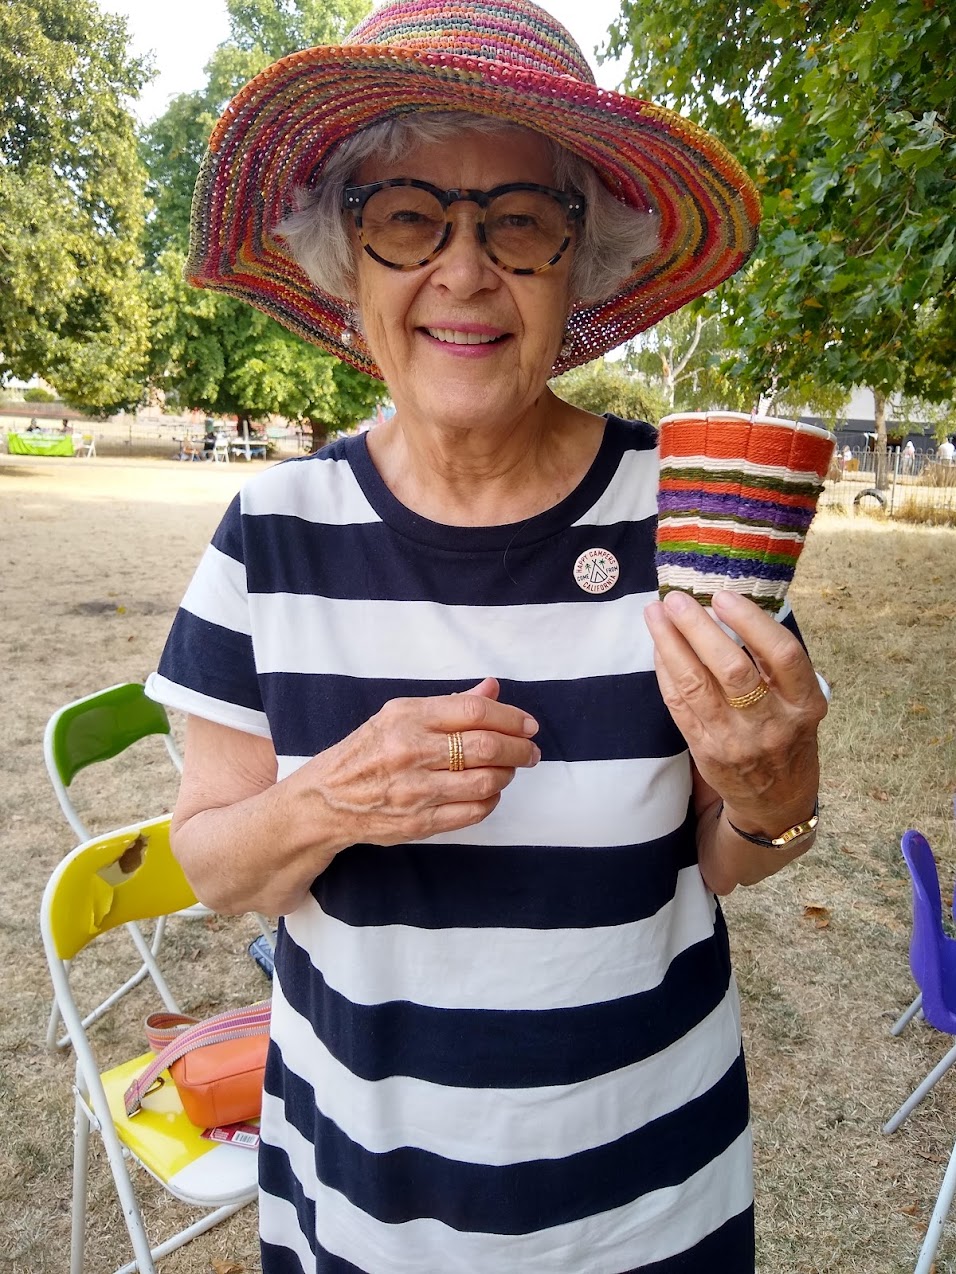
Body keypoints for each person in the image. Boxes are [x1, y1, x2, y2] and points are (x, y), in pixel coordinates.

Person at [146, 2, 826, 1270]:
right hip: (361, 1207)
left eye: (519, 220)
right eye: (408, 216)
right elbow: (215, 869)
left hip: (646, 1204)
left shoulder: (686, 504)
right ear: (345, 258)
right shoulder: (270, 531)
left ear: (585, 260)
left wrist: (772, 787)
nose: (463, 271)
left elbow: (731, 857)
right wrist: (331, 799)